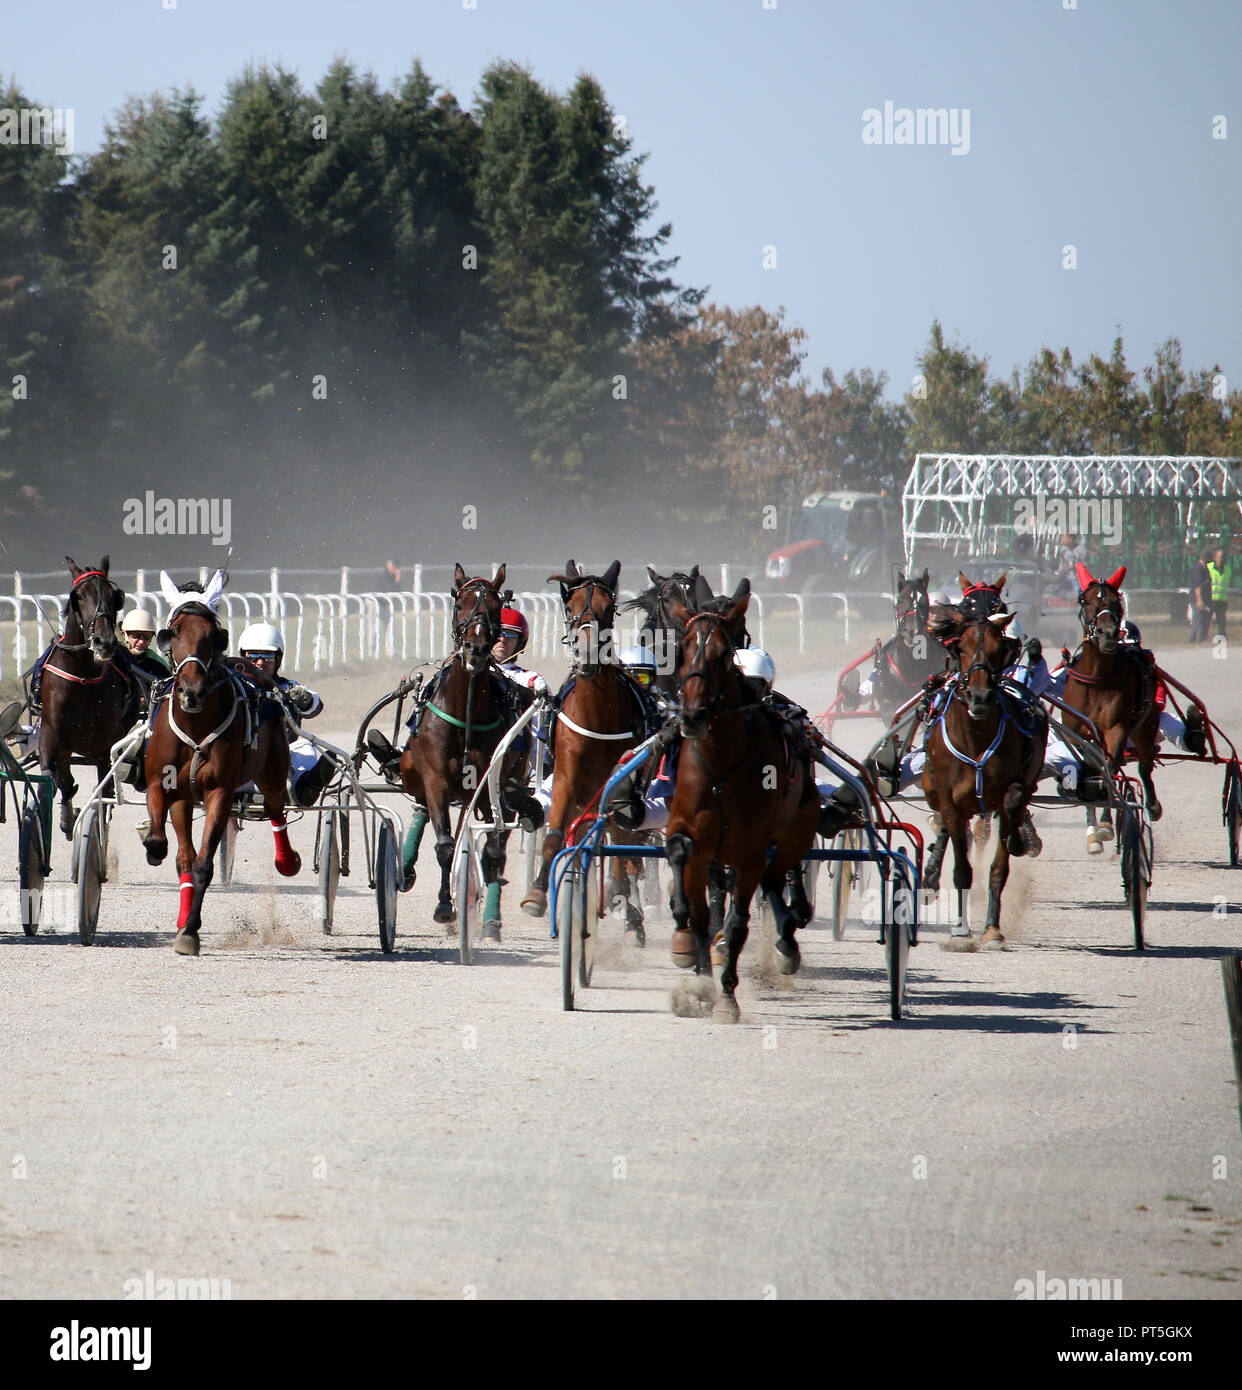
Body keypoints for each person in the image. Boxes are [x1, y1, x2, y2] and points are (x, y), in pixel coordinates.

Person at [235, 621, 334, 808]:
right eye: (253, 656)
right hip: (242, 762)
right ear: (243, 658)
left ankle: (307, 787)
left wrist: (304, 698)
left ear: (278, 659)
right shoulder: (233, 688)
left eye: (267, 657)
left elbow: (315, 705)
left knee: (305, 746)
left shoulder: (288, 687)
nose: (260, 663)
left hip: (282, 760)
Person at [1187, 548, 1212, 644]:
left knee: (1200, 620)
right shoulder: (1198, 568)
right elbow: (1198, 586)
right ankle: (1198, 641)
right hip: (1197, 599)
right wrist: (1199, 600)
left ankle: (1195, 640)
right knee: (1199, 621)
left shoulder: (1204, 568)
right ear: (1205, 557)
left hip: (1204, 598)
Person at [1207, 546, 1232, 640]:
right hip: (1211, 598)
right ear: (1215, 557)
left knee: (1221, 621)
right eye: (1219, 556)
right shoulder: (1209, 567)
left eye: (1223, 556)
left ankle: (1221, 638)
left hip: (1222, 599)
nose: (1221, 558)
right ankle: (1202, 638)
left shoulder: (1228, 570)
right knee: (1206, 620)